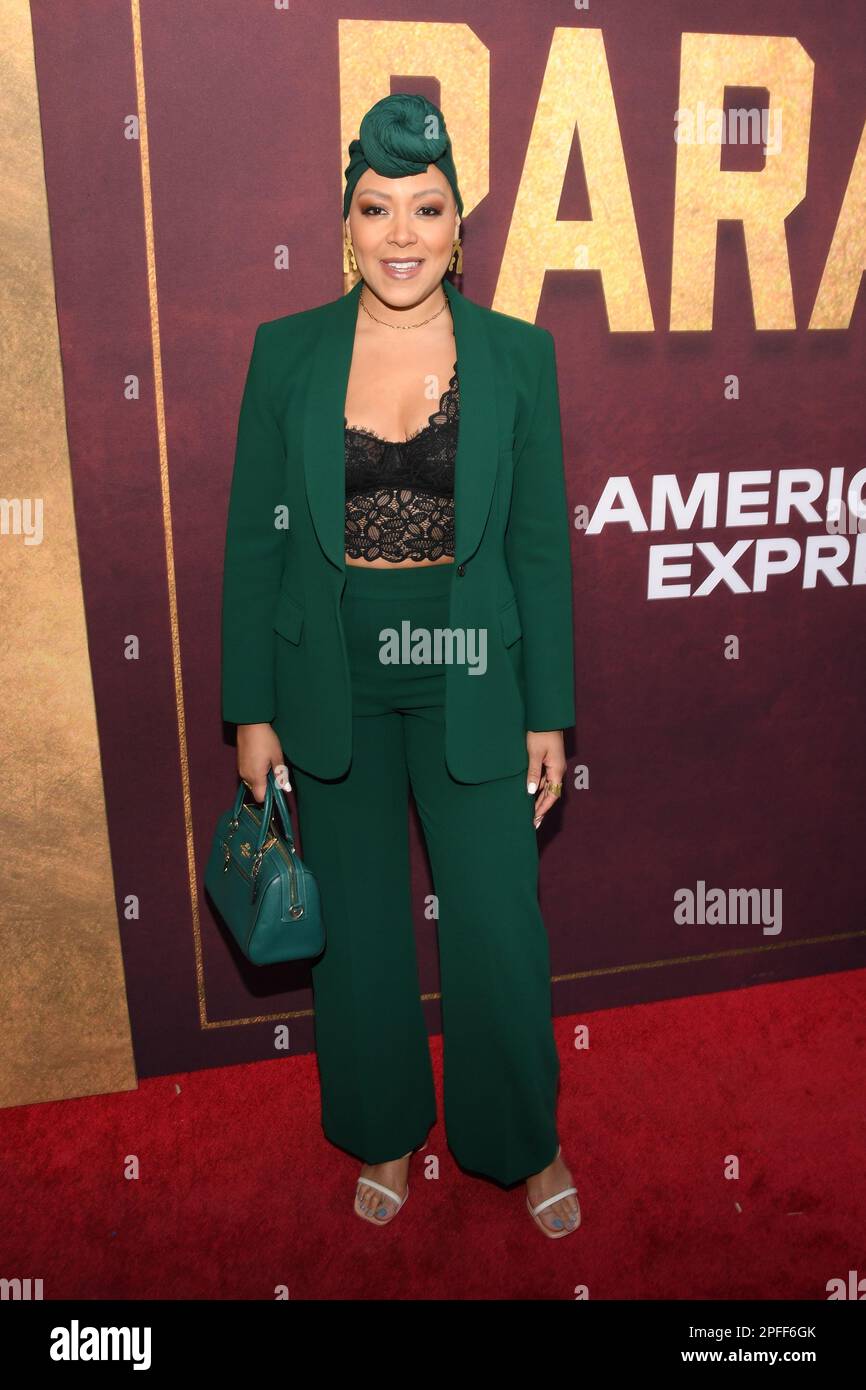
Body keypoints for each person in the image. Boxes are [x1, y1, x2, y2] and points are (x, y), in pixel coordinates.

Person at [221, 93, 580, 1237]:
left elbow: (535, 548)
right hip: (328, 673)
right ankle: (382, 1127)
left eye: (425, 208)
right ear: (345, 222)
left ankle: (517, 1137)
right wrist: (250, 709)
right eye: (376, 208)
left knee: (494, 925)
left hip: (471, 663)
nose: (401, 234)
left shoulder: (520, 358)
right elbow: (253, 541)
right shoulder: (287, 352)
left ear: (458, 224)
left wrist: (548, 711)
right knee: (362, 934)